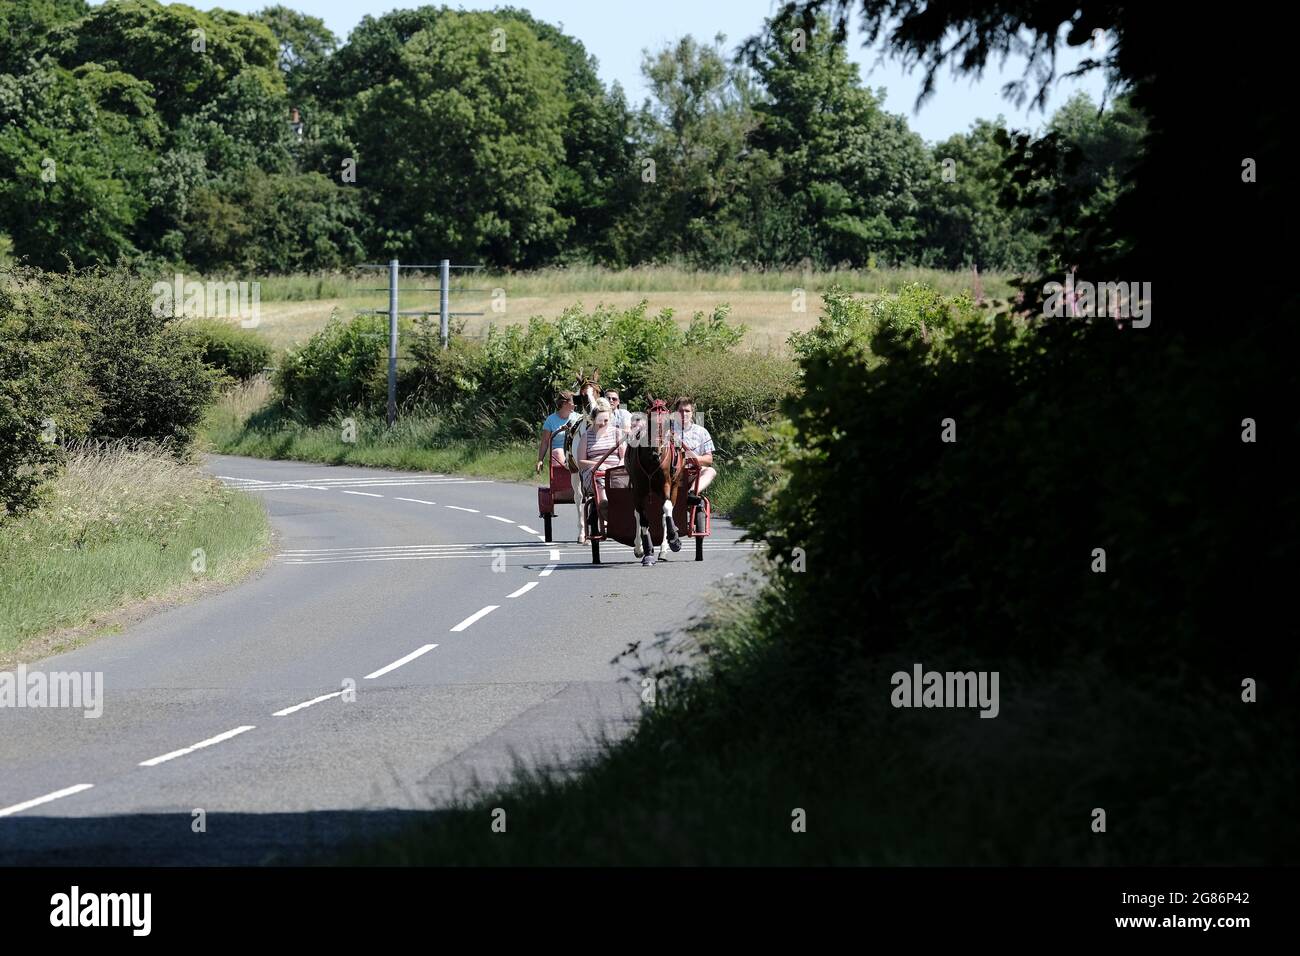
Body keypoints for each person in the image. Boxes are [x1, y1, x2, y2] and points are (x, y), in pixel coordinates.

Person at [576, 399, 623, 518]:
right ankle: (604, 505)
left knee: (626, 478)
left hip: (616, 471)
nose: (603, 423)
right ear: (593, 419)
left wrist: (617, 468)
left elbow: (623, 457)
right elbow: (580, 462)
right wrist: (597, 464)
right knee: (599, 475)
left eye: (606, 420)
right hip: (594, 472)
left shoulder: (617, 433)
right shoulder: (586, 436)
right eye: (600, 420)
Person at [669, 396, 715, 505]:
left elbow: (709, 459)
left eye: (687, 411)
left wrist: (693, 458)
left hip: (691, 474)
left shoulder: (702, 432)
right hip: (670, 474)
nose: (684, 414)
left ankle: (691, 493)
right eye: (680, 411)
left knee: (711, 471)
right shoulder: (667, 430)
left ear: (692, 412)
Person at [536, 391, 582, 475]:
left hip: (575, 450)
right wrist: (540, 460)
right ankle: (565, 475)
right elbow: (545, 442)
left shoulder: (579, 418)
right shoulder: (551, 420)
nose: (575, 405)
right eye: (573, 402)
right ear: (564, 403)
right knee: (559, 452)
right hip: (558, 453)